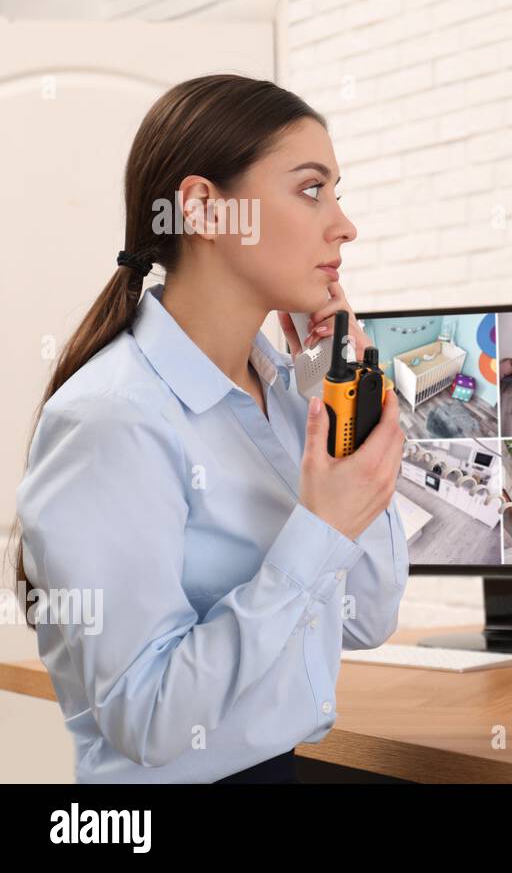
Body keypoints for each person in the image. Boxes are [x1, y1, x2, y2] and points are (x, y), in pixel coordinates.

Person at [8, 74, 409, 783]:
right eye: (311, 189)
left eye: (337, 193)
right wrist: (317, 528)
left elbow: (367, 617)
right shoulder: (113, 420)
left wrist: (347, 402)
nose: (344, 225)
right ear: (204, 209)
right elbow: (149, 718)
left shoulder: (288, 395)